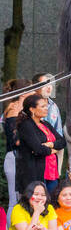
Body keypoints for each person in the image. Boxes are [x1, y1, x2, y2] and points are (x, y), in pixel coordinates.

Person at [14, 93, 65, 199]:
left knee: (51, 204)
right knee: (36, 205)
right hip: (35, 173)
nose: (46, 109)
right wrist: (54, 150)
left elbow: (63, 142)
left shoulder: (45, 124)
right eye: (42, 106)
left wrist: (51, 144)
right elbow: (38, 149)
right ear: (32, 109)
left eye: (46, 106)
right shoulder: (26, 125)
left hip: (52, 172)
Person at [3, 78, 26, 212]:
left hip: (18, 157)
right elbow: (15, 140)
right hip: (14, 158)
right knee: (15, 201)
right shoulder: (13, 110)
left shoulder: (20, 110)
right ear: (24, 94)